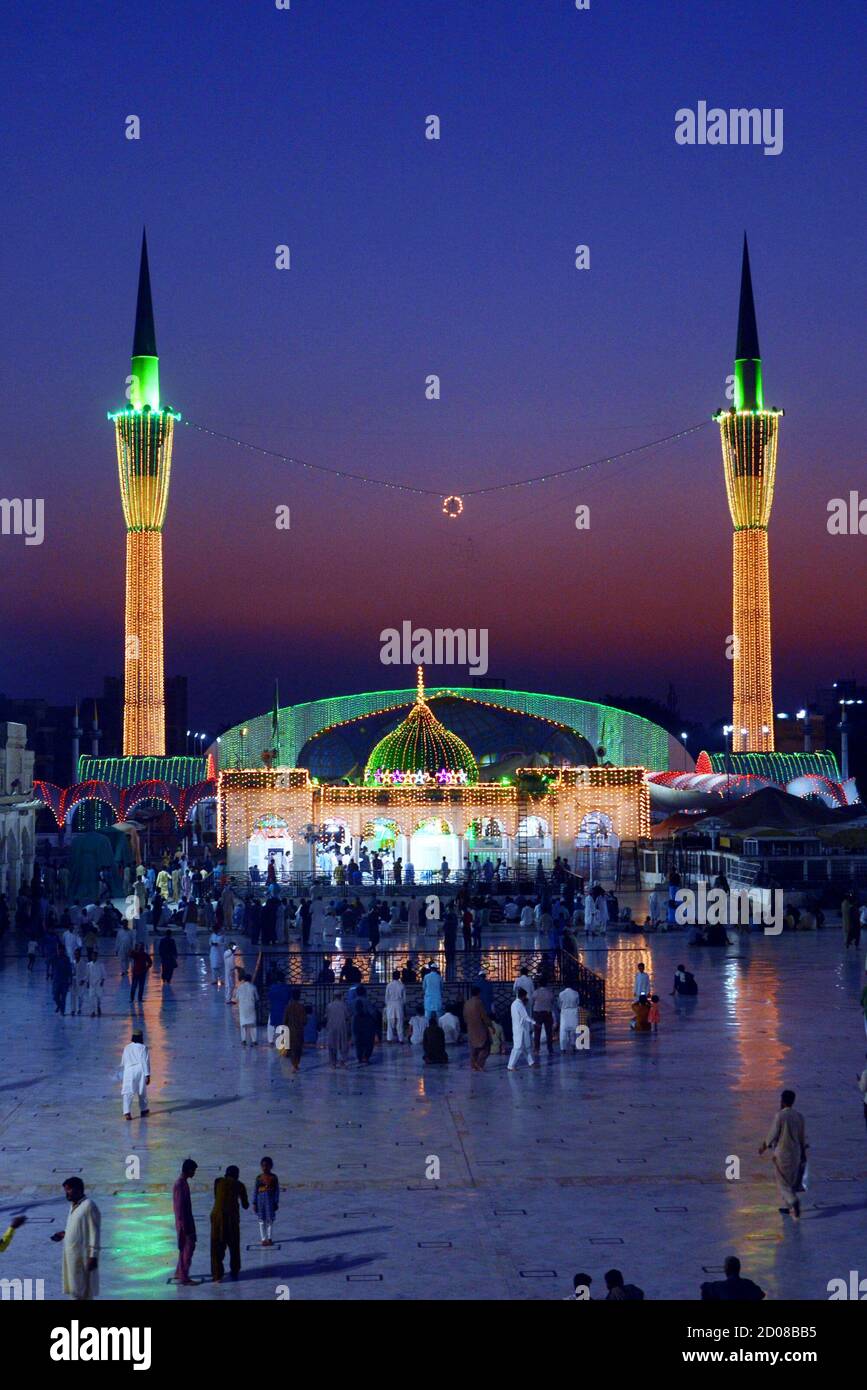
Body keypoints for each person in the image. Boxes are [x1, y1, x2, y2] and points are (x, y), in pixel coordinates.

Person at [759, 1089, 808, 1219]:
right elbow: (802, 1137)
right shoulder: (799, 1116)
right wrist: (803, 1154)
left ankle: (793, 1202)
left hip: (782, 1153)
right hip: (796, 1153)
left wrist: (763, 1147)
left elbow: (772, 1134)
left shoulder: (780, 1116)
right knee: (791, 1181)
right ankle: (787, 1207)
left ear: (783, 1101)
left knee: (782, 1182)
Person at [52, 1177, 101, 1300]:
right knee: (76, 1291)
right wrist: (64, 1234)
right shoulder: (74, 1205)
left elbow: (95, 1232)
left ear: (78, 1189)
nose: (66, 1193)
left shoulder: (88, 1206)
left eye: (69, 1190)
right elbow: (77, 1227)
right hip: (71, 1256)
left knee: (80, 1291)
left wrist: (93, 1256)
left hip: (81, 1256)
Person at [210, 1166, 249, 1282]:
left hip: (217, 1219)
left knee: (217, 1247)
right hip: (231, 1219)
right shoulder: (240, 1185)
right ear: (237, 1175)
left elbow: (216, 1196)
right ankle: (235, 1270)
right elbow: (245, 1205)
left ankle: (217, 1275)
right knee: (234, 1246)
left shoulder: (218, 1181)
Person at [173, 1158, 198, 1285]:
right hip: (184, 1222)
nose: (194, 1173)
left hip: (185, 1220)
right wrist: (183, 1224)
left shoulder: (183, 1183)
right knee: (188, 1247)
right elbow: (179, 1206)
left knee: (184, 1247)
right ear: (188, 1170)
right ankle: (184, 1276)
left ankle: (179, 1272)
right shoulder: (180, 1185)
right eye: (193, 1170)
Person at [701, 1255, 765, 1301]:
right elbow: (761, 1294)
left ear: (727, 1270)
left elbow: (704, 1287)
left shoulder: (720, 1286)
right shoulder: (748, 1284)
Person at [121, 1030, 151, 1119]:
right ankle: (143, 1109)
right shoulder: (143, 1047)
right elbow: (144, 1061)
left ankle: (127, 1112)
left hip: (129, 1070)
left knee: (128, 1091)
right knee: (142, 1091)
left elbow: (123, 1061)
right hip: (140, 1069)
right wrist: (147, 1075)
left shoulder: (127, 1047)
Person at [252, 1156, 280, 1246]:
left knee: (270, 1221)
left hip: (270, 1202)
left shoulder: (274, 1178)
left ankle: (270, 1238)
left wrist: (276, 1201)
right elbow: (255, 1190)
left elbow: (277, 1190)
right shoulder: (259, 1178)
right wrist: (254, 1203)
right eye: (263, 1166)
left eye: (267, 1166)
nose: (265, 1168)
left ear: (271, 1166)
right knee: (261, 1221)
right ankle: (263, 1238)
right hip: (260, 1202)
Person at [463, 986, 491, 1071]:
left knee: (473, 1048)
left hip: (471, 1028)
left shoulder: (467, 1003)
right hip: (480, 1028)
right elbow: (484, 1016)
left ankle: (473, 1065)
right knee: (486, 1048)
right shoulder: (479, 1003)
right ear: (479, 993)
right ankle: (479, 1064)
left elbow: (464, 1017)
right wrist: (490, 1025)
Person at [508, 988, 535, 1070]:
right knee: (518, 1048)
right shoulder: (519, 1005)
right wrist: (534, 1022)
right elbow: (525, 1017)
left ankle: (531, 1062)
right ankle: (511, 1065)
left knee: (525, 1047)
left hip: (519, 1028)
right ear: (523, 996)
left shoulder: (514, 1004)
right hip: (520, 1029)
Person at [325, 990, 352, 1066]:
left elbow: (326, 1016)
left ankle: (333, 1063)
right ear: (341, 996)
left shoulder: (329, 1005)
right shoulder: (344, 1005)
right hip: (342, 1027)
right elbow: (348, 1016)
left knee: (332, 1045)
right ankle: (343, 1061)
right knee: (343, 1045)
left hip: (332, 1027)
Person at [282, 987, 306, 1069]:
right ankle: (296, 1064)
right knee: (298, 1049)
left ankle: (293, 1064)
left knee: (292, 1048)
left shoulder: (288, 1007)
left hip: (291, 1031)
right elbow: (304, 1021)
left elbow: (285, 1020)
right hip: (299, 1031)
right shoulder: (301, 1007)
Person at [353, 987, 378, 1063]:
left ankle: (359, 1056)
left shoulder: (352, 1002)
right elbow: (372, 1012)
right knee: (368, 1040)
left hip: (356, 1022)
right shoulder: (367, 1001)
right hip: (366, 1022)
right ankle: (366, 1056)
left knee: (358, 1040)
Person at [267, 971, 291, 1045]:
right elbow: (288, 999)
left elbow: (269, 997)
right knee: (284, 1025)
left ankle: (270, 1040)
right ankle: (283, 1040)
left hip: (274, 1009)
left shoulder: (272, 987)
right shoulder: (286, 988)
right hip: (283, 1009)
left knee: (271, 1025)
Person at [532, 979, 555, 1055]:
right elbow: (552, 1001)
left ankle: (536, 1049)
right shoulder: (549, 993)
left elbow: (533, 1000)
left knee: (537, 1032)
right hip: (547, 1013)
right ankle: (550, 1049)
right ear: (546, 984)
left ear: (538, 984)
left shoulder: (536, 992)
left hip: (537, 1013)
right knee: (549, 1032)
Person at [236, 972, 259, 1045]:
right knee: (253, 1024)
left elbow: (236, 998)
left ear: (244, 980)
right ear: (251, 979)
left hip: (242, 1008)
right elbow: (257, 998)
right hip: (251, 1007)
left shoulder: (239, 988)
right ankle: (254, 1040)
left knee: (243, 1024)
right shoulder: (253, 987)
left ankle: (243, 1040)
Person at [558, 983, 581, 1052]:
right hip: (573, 1011)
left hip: (564, 1012)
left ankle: (563, 1048)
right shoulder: (576, 993)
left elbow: (559, 1004)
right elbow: (578, 1003)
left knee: (563, 1031)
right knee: (574, 1030)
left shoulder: (561, 994)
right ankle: (574, 1045)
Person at [385, 970, 406, 1042]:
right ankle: (401, 1039)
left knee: (390, 1023)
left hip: (390, 1005)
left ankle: (389, 1039)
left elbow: (386, 997)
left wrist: (387, 1005)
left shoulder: (389, 985)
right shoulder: (402, 985)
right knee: (399, 1023)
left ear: (392, 976)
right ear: (399, 977)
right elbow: (404, 999)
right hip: (399, 1005)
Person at [52, 949, 73, 1015]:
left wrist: (70, 980)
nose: (59, 951)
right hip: (56, 981)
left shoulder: (66, 959)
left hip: (64, 981)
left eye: (60, 950)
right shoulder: (55, 958)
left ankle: (62, 1011)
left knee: (63, 997)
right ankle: (60, 1006)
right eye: (58, 950)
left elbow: (69, 970)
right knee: (55, 996)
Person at [86, 950, 105, 1017]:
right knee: (91, 998)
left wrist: (102, 981)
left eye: (95, 956)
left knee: (99, 997)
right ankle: (93, 1011)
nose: (94, 957)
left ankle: (98, 1007)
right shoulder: (88, 965)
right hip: (91, 984)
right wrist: (87, 982)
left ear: (96, 957)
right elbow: (87, 974)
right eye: (92, 956)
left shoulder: (100, 964)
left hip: (98, 983)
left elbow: (104, 974)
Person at [71, 947, 88, 1016]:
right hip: (73, 982)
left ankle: (79, 1009)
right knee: (73, 996)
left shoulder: (83, 963)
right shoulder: (72, 962)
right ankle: (73, 1009)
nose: (76, 955)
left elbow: (86, 973)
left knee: (80, 996)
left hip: (80, 982)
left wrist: (83, 980)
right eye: (75, 954)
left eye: (77, 954)